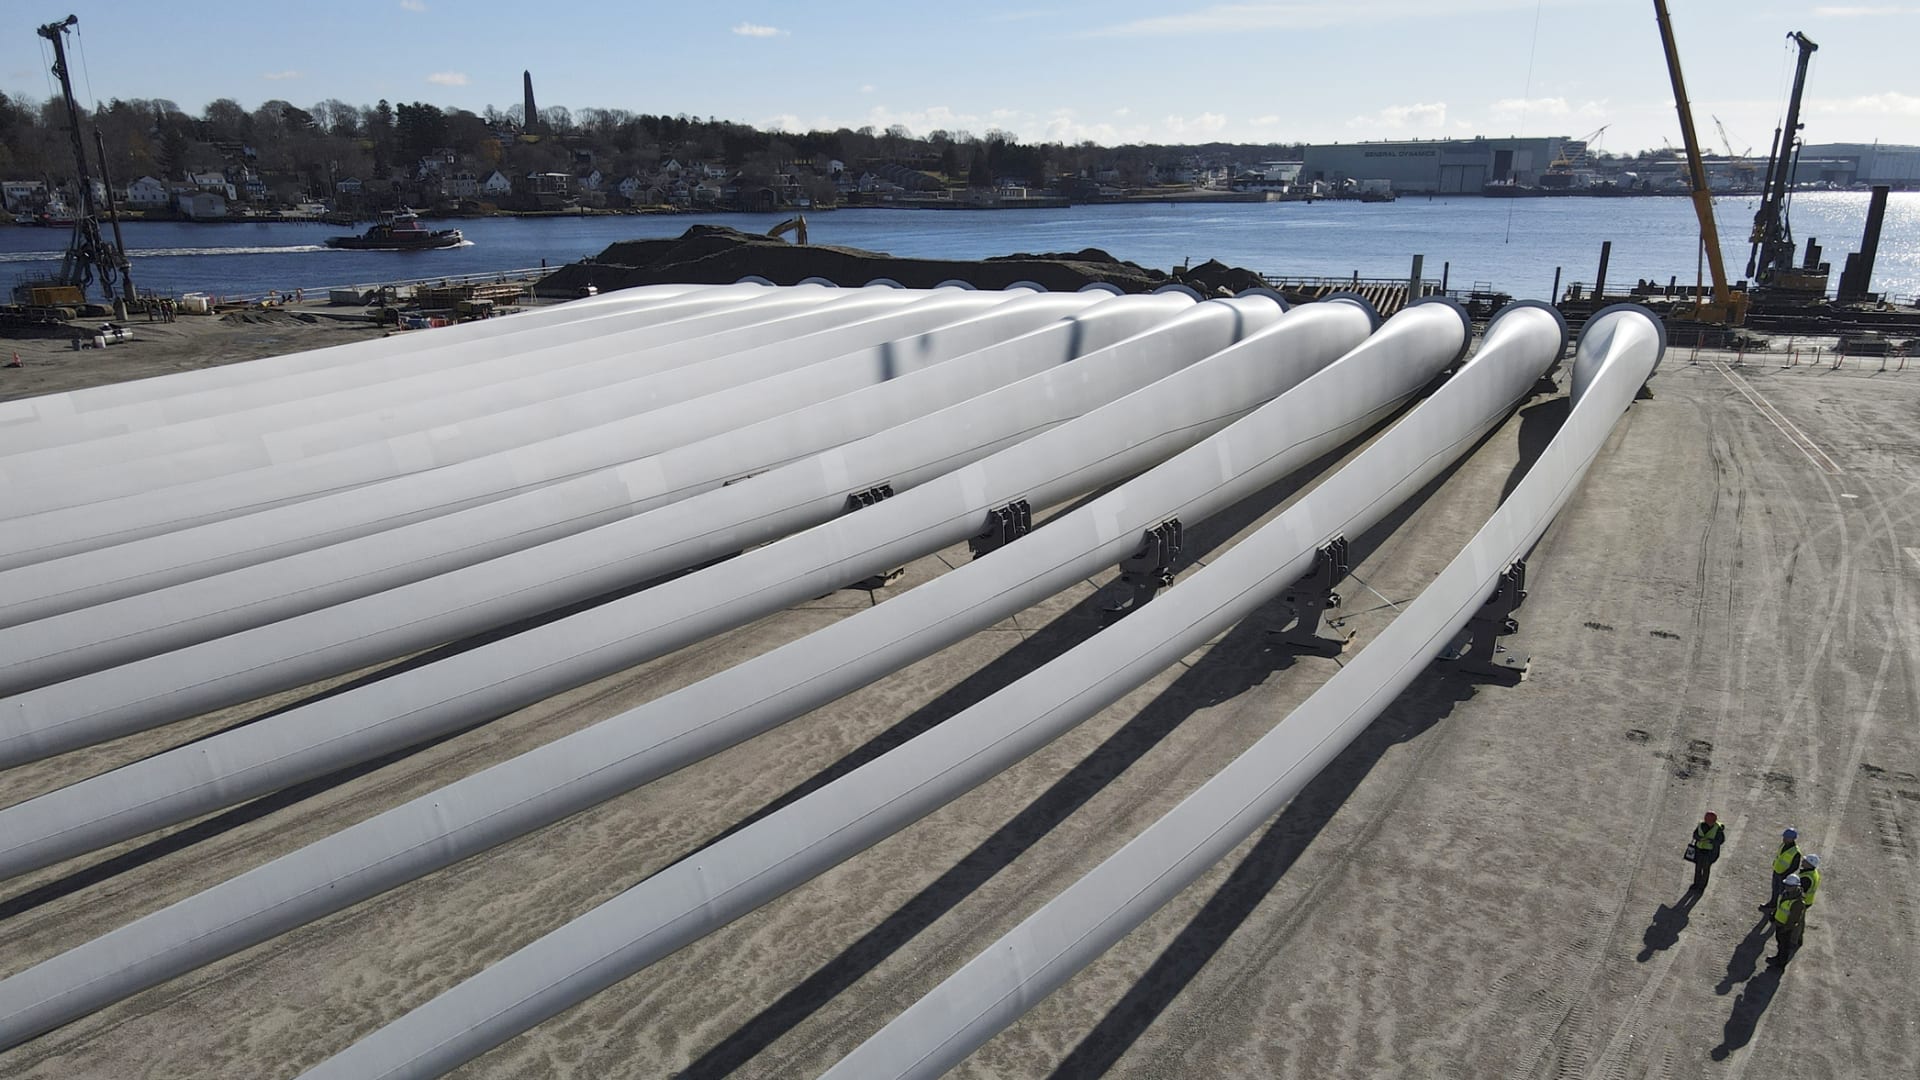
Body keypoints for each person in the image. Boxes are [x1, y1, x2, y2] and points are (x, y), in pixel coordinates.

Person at [1761, 827, 1802, 912]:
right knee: (1774, 890)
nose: (1784, 839)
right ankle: (1772, 904)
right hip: (1776, 871)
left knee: (1781, 894)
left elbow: (1794, 866)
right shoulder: (1783, 845)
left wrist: (1785, 875)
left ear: (1792, 839)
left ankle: (1777, 910)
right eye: (1784, 837)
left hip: (1783, 876)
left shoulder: (1795, 852)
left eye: (1786, 838)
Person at [1769, 873, 1808, 965]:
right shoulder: (1785, 893)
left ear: (1796, 886)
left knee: (1784, 946)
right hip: (1779, 923)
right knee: (1780, 943)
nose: (1787, 887)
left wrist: (1786, 928)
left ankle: (1781, 964)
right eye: (1786, 885)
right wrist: (1774, 915)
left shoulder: (1797, 903)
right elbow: (1780, 906)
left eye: (1790, 886)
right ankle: (1778, 958)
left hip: (1786, 928)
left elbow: (1794, 919)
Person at [1689, 811, 1726, 891]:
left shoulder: (1718, 829)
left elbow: (1721, 840)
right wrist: (1699, 838)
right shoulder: (1701, 825)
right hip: (1699, 850)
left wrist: (1711, 841)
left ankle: (1701, 887)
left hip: (1709, 853)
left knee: (1705, 870)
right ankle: (1696, 884)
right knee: (1698, 868)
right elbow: (1695, 834)